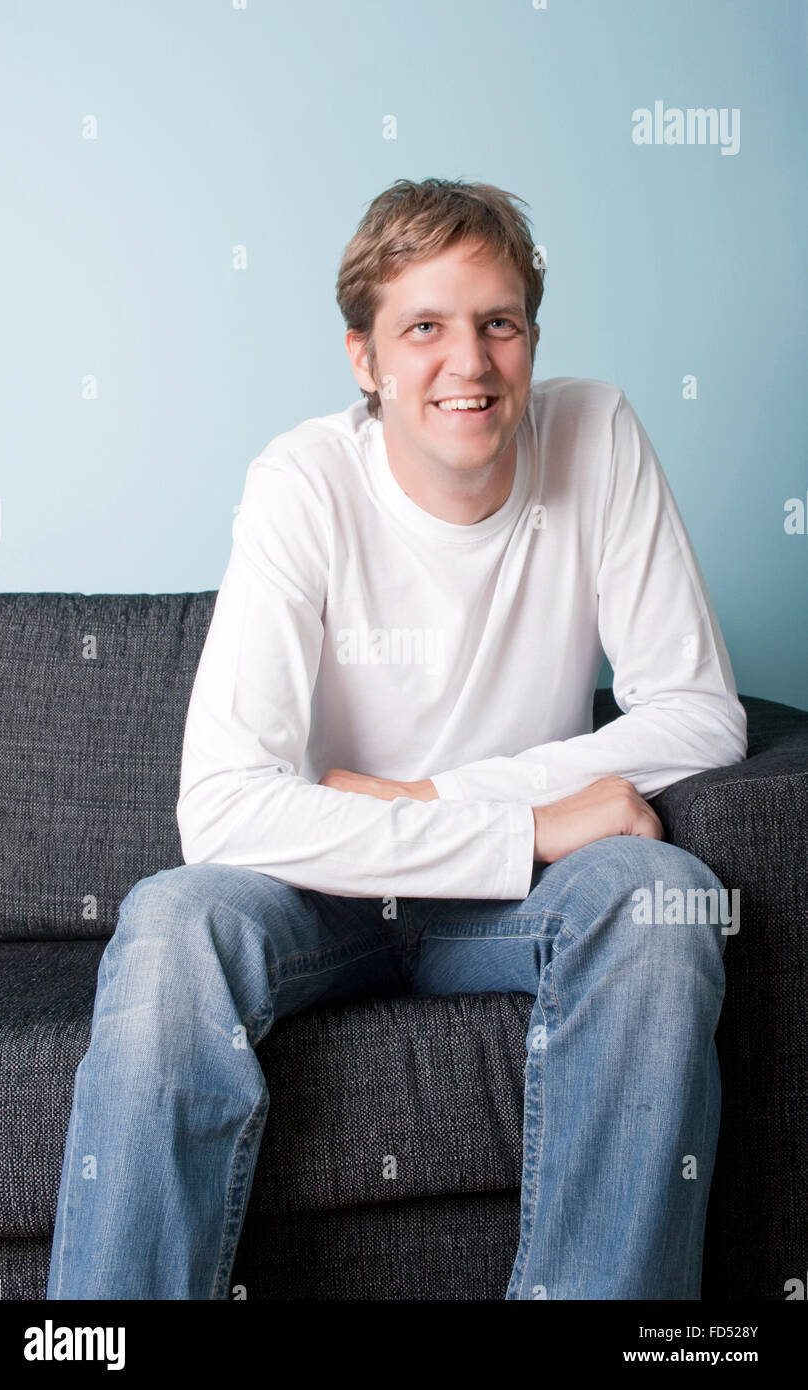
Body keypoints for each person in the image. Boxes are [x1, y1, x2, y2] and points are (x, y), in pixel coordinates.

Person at [46, 177, 747, 1300]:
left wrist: (426, 799)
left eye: (498, 323)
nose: (467, 363)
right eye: (424, 327)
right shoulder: (302, 481)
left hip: (515, 898)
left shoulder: (599, 432)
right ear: (364, 360)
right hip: (317, 891)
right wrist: (517, 822)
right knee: (173, 917)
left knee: (656, 894)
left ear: (530, 337)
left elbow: (703, 712)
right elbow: (222, 806)